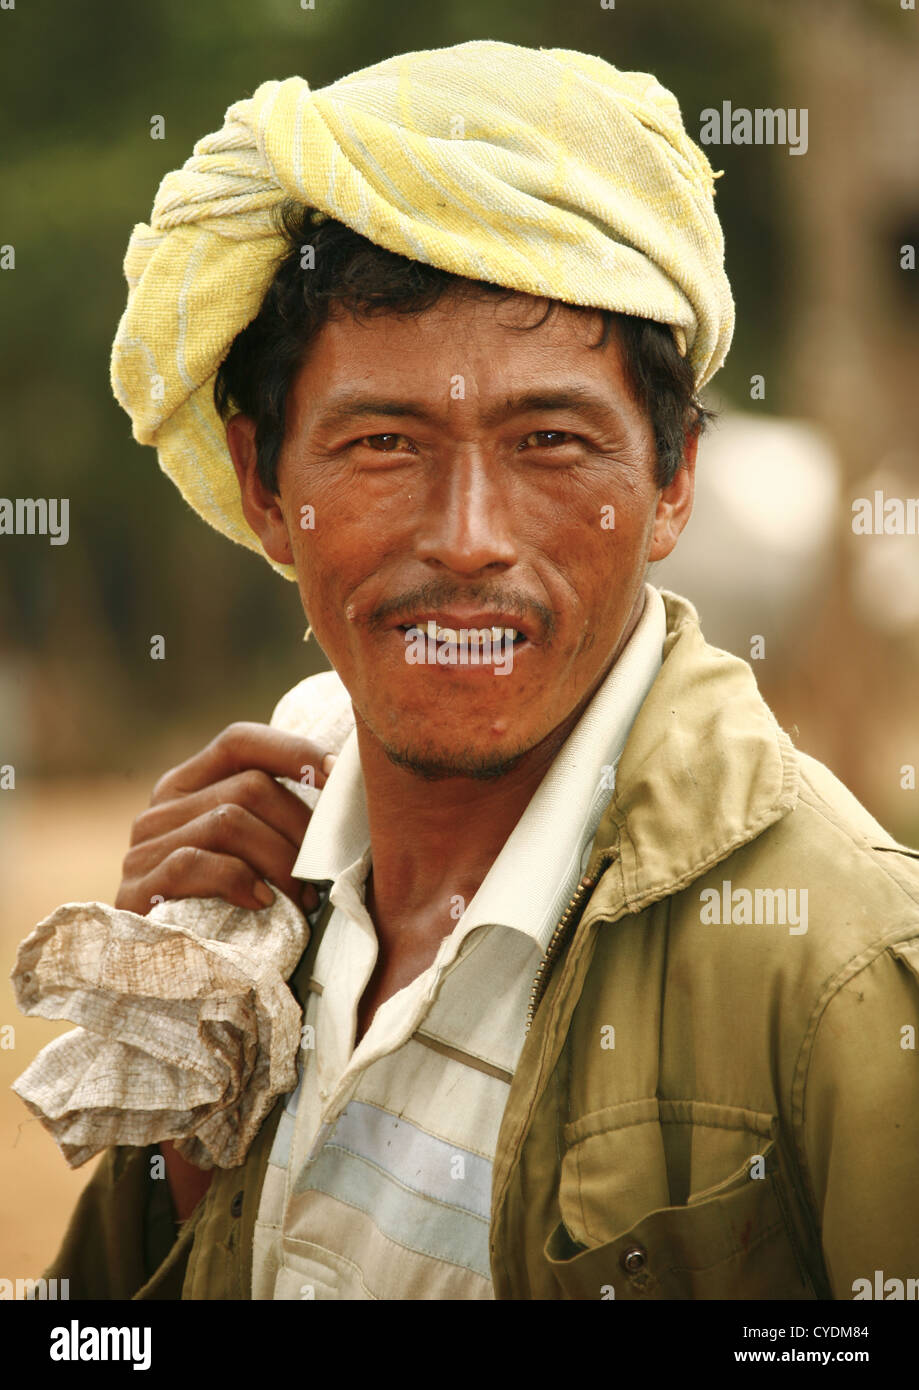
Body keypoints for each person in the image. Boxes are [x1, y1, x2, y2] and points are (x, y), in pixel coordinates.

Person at [17, 39, 919, 1301]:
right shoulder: (246, 916)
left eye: (550, 441)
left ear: (670, 488)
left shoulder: (843, 967)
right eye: (385, 442)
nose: (469, 538)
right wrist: (188, 1091)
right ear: (270, 490)